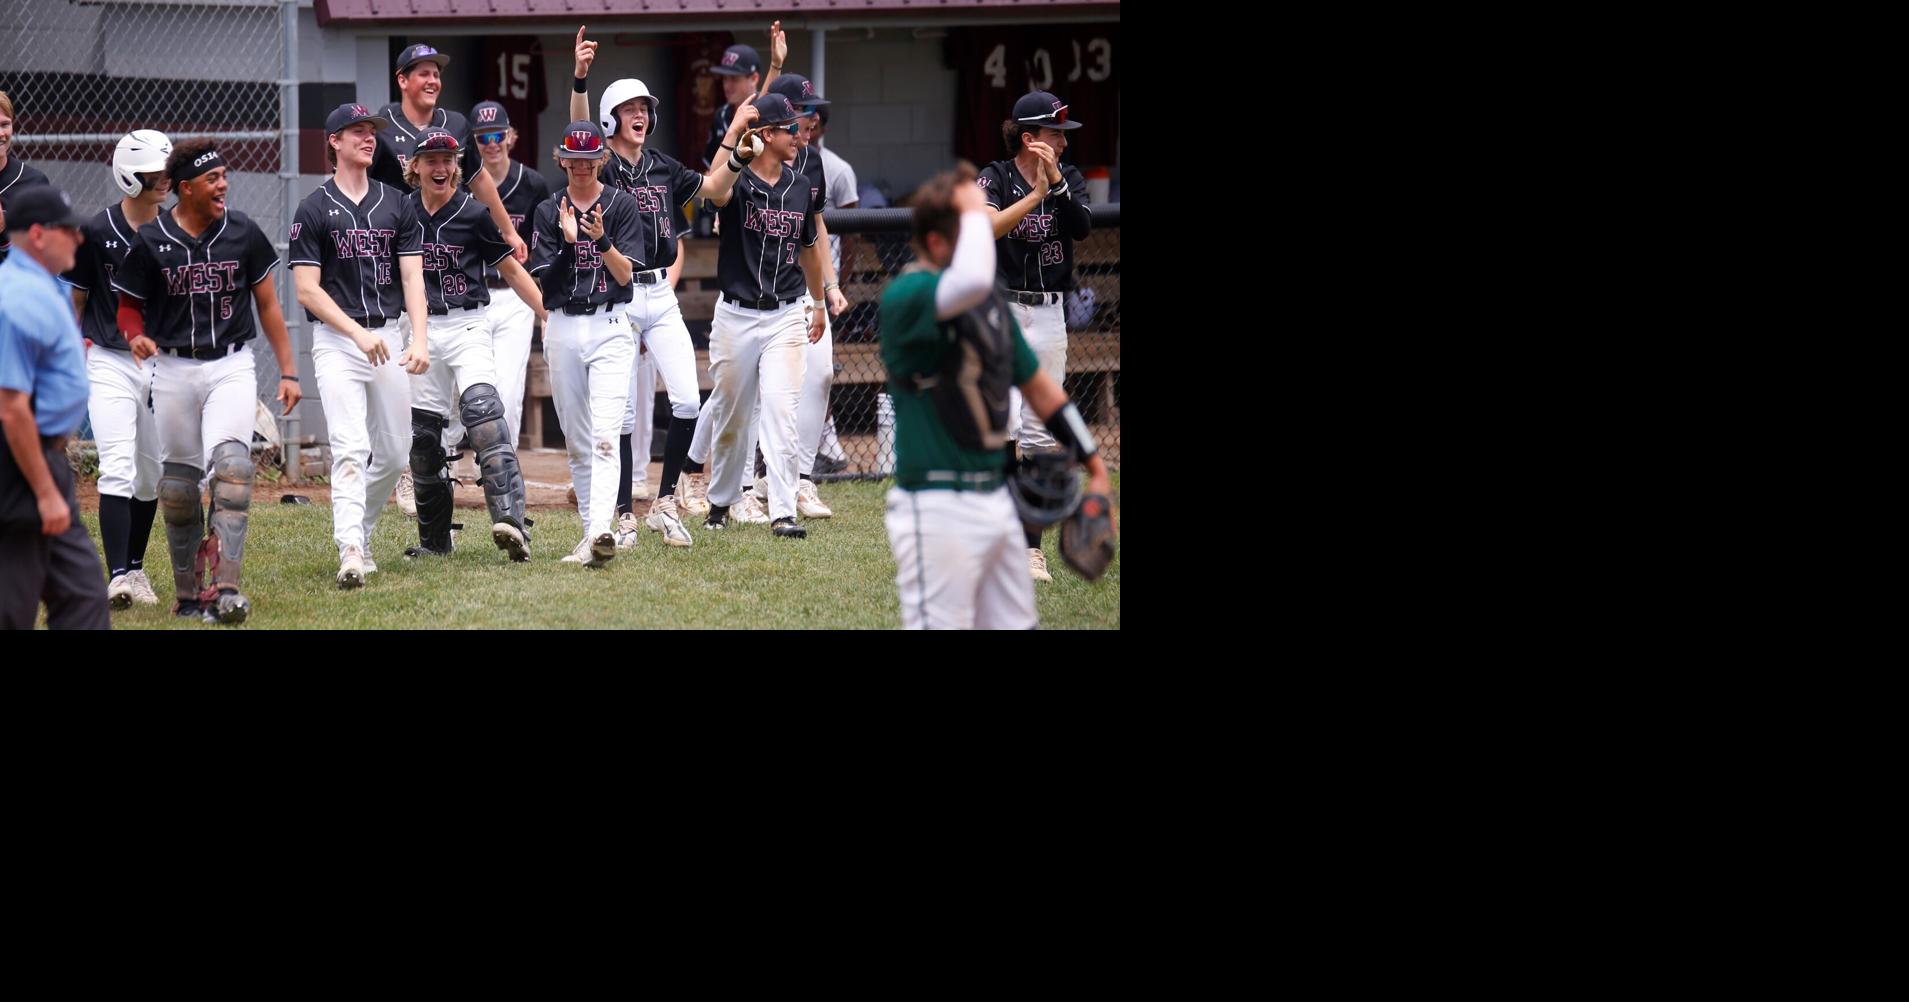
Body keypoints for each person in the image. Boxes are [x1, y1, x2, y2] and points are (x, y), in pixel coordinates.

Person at [877, 170, 1111, 628]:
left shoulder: (989, 306)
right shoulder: (908, 295)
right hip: (936, 502)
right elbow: (968, 279)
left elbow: (1045, 394)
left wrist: (1095, 465)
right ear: (938, 242)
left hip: (997, 500)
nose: (986, 226)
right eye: (972, 220)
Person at [111, 142, 301, 624]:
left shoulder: (243, 233)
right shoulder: (151, 240)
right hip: (172, 368)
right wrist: (134, 337)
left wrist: (289, 370)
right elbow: (128, 308)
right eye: (213, 178)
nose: (224, 185)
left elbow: (269, 307)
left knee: (234, 471)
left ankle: (227, 587)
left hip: (230, 365)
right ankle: (188, 593)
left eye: (225, 176)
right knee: (177, 487)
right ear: (186, 188)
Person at [288, 103, 430, 586]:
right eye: (357, 131)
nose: (369, 138)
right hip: (337, 341)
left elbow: (412, 275)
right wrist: (355, 333)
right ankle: (350, 548)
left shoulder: (397, 203)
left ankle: (362, 533)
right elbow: (307, 289)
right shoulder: (312, 208)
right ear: (334, 141)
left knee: (393, 454)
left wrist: (420, 339)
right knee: (350, 448)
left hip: (388, 337)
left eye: (372, 131)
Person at [398, 127, 547, 570]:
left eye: (447, 160)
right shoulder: (401, 213)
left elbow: (513, 271)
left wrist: (547, 313)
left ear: (457, 167)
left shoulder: (474, 212)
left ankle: (512, 523)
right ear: (416, 167)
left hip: (466, 325)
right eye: (431, 160)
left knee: (484, 416)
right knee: (425, 440)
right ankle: (435, 540)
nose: (440, 168)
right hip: (419, 329)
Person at [695, 93, 827, 540]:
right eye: (790, 128)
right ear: (767, 135)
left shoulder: (801, 185)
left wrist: (819, 303)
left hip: (787, 314)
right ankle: (720, 502)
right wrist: (734, 133)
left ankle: (783, 511)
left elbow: (809, 250)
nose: (799, 134)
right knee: (731, 416)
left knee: (780, 412)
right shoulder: (738, 180)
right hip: (736, 315)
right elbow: (713, 188)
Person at [977, 90, 1092, 583]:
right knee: (1002, 426)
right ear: (1029, 138)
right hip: (1003, 308)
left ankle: (1031, 548)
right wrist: (1035, 195)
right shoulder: (996, 176)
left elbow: (1082, 228)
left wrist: (1057, 187)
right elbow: (986, 227)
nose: (1062, 143)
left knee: (1043, 430)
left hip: (1048, 313)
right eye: (1053, 134)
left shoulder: (1071, 179)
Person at [526, 119, 646, 568]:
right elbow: (544, 286)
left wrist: (599, 241)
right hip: (562, 324)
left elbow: (624, 276)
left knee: (605, 436)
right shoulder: (546, 210)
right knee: (577, 439)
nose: (580, 166)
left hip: (610, 323)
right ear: (562, 159)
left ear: (601, 159)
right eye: (572, 159)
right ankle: (588, 533)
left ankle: (602, 530)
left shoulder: (620, 204)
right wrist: (568, 244)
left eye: (588, 158)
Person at [63, 130, 172, 608]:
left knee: (150, 475)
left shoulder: (174, 232)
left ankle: (137, 567)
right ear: (131, 177)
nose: (166, 179)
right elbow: (78, 300)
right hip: (108, 359)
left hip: (161, 365)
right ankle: (118, 576)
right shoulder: (96, 230)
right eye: (155, 172)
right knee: (118, 467)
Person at [0, 185, 111, 629]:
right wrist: (44, 493)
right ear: (40, 235)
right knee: (12, 604)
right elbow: (10, 407)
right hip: (17, 463)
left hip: (44, 459)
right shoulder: (15, 299)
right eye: (70, 231)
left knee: (83, 594)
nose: (79, 239)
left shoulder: (42, 287)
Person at [0, 90, 53, 265]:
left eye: (5, 124)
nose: (1, 134)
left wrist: (4, 231)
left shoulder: (33, 183)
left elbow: (43, 257)